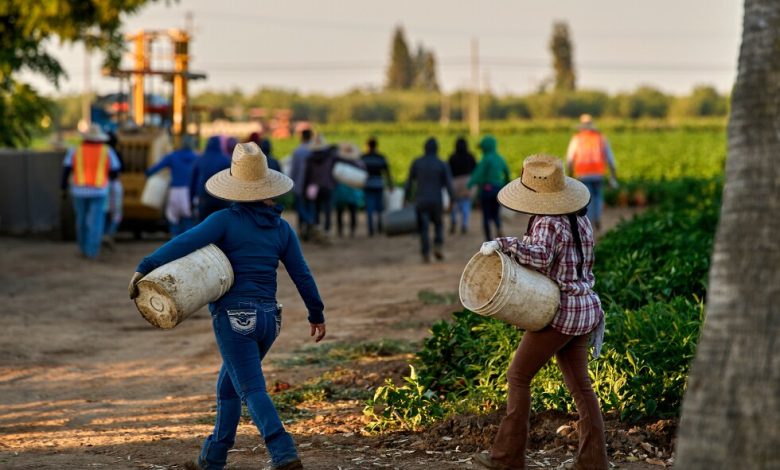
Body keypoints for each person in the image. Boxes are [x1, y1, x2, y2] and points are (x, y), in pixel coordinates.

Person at [128, 142, 325, 470]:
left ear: (236, 186)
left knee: (251, 389)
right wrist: (316, 313)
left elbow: (183, 242)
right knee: (229, 388)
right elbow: (301, 273)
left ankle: (283, 451)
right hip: (269, 320)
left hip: (235, 319)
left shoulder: (224, 220)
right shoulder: (282, 228)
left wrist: (145, 266)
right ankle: (213, 457)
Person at [473, 154, 607, 470]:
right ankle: (593, 461)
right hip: (585, 308)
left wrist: (504, 244)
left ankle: (507, 459)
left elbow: (540, 256)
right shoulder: (579, 217)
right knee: (581, 387)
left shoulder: (549, 221)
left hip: (560, 312)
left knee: (518, 376)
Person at [61, 124, 122, 259]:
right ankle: (92, 251)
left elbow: (66, 171)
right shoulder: (107, 151)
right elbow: (115, 171)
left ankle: (83, 248)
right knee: (96, 221)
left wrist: (63, 188)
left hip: (79, 190)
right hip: (99, 191)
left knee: (81, 219)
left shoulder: (74, 150)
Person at [404, 137, 454, 263]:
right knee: (438, 224)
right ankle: (438, 245)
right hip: (436, 200)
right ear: (437, 149)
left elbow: (409, 182)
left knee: (424, 227)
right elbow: (449, 184)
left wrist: (405, 198)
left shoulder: (417, 163)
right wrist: (452, 200)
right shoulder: (441, 164)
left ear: (425, 148)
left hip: (421, 200)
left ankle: (425, 252)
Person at [566, 114, 618, 231]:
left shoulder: (577, 138)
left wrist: (570, 175)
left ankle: (588, 223)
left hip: (582, 174)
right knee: (598, 196)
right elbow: (610, 158)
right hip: (598, 174)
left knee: (586, 199)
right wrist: (613, 174)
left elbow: (569, 158)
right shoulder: (600, 138)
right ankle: (597, 218)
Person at [146, 135, 199, 235]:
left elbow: (157, 167)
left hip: (174, 191)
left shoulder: (173, 156)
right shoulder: (197, 157)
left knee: (173, 220)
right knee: (188, 221)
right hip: (189, 193)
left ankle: (174, 240)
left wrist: (147, 173)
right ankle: (187, 242)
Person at [468, 135, 510, 241]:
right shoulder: (500, 158)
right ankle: (499, 229)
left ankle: (488, 239)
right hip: (498, 190)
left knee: (486, 216)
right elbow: (507, 173)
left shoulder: (485, 159)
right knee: (495, 213)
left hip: (486, 191)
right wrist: (505, 185)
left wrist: (470, 184)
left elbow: (478, 174)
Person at [190, 136, 231, 223]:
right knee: (221, 225)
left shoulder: (200, 159)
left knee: (204, 226)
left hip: (204, 199)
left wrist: (191, 201)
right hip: (221, 200)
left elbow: (193, 182)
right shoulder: (226, 160)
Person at [303, 135, 337, 236]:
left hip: (314, 187)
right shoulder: (329, 158)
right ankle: (327, 231)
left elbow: (307, 176)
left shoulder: (309, 159)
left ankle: (317, 228)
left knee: (316, 208)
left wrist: (305, 188)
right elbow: (333, 173)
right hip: (327, 186)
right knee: (327, 209)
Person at [360, 137, 394, 236]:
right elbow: (387, 172)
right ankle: (380, 227)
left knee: (369, 208)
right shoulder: (381, 157)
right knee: (380, 208)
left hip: (368, 185)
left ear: (368, 145)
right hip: (379, 184)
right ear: (376, 146)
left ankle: (371, 229)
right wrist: (391, 185)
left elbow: (358, 171)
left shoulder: (364, 158)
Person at [332, 142, 365, 238]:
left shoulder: (338, 162)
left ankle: (340, 230)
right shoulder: (358, 163)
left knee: (340, 211)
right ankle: (352, 231)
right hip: (353, 191)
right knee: (353, 211)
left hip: (341, 190)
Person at [288, 129, 315, 238]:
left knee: (299, 206)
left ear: (302, 137)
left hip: (299, 183)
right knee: (310, 206)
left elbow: (294, 170)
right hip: (312, 184)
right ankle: (310, 228)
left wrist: (291, 183)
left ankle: (305, 226)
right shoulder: (314, 151)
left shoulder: (298, 151)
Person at [448, 137, 477, 235]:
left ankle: (453, 220)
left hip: (455, 182)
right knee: (466, 202)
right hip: (467, 181)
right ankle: (464, 224)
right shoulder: (470, 156)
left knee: (454, 203)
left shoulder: (452, 157)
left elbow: (448, 171)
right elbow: (475, 169)